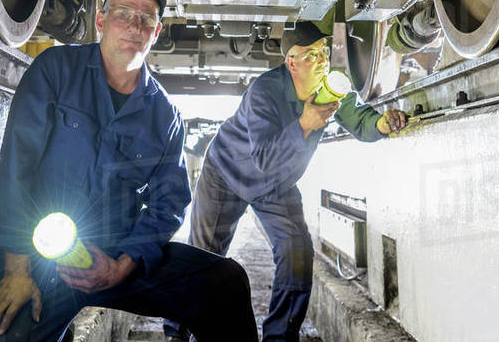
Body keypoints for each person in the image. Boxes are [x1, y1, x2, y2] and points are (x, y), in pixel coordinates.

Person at [0, 0, 257, 342]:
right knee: (4, 335)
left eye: (147, 19)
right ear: (101, 21)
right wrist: (16, 270)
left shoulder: (165, 116)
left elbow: (169, 203)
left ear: (155, 34)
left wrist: (123, 265)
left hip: (114, 253)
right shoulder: (55, 71)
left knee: (225, 283)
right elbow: (16, 168)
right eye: (124, 13)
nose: (135, 25)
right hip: (40, 255)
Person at [164, 21, 407, 342]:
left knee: (296, 254)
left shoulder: (333, 87)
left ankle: (280, 338)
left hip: (275, 184)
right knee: (204, 257)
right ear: (291, 62)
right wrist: (304, 124)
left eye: (323, 53)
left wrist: (381, 123)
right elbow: (263, 158)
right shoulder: (264, 91)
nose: (322, 61)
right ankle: (178, 332)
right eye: (312, 56)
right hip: (226, 174)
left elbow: (360, 121)